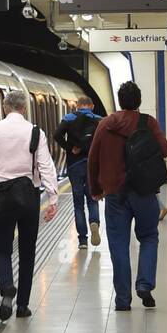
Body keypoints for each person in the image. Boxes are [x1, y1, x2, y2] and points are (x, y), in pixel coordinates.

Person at [0, 88, 59, 320]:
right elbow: (46, 166)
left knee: (2, 249)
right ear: (25, 109)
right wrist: (53, 197)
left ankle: (6, 288)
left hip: (1, 195)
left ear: (4, 108)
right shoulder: (35, 132)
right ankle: (22, 306)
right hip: (28, 196)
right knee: (27, 251)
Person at [87, 81, 167, 310]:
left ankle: (123, 300)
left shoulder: (105, 125)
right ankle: (144, 284)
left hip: (115, 195)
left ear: (119, 100)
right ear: (139, 101)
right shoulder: (148, 123)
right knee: (149, 237)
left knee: (119, 245)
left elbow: (92, 160)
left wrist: (95, 189)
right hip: (144, 192)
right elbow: (165, 149)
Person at [55, 95, 102, 249]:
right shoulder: (98, 119)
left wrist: (70, 148)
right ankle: (94, 222)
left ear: (77, 106)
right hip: (92, 165)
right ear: (91, 106)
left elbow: (57, 135)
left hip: (75, 165)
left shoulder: (69, 118)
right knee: (93, 198)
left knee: (78, 203)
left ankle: (82, 240)